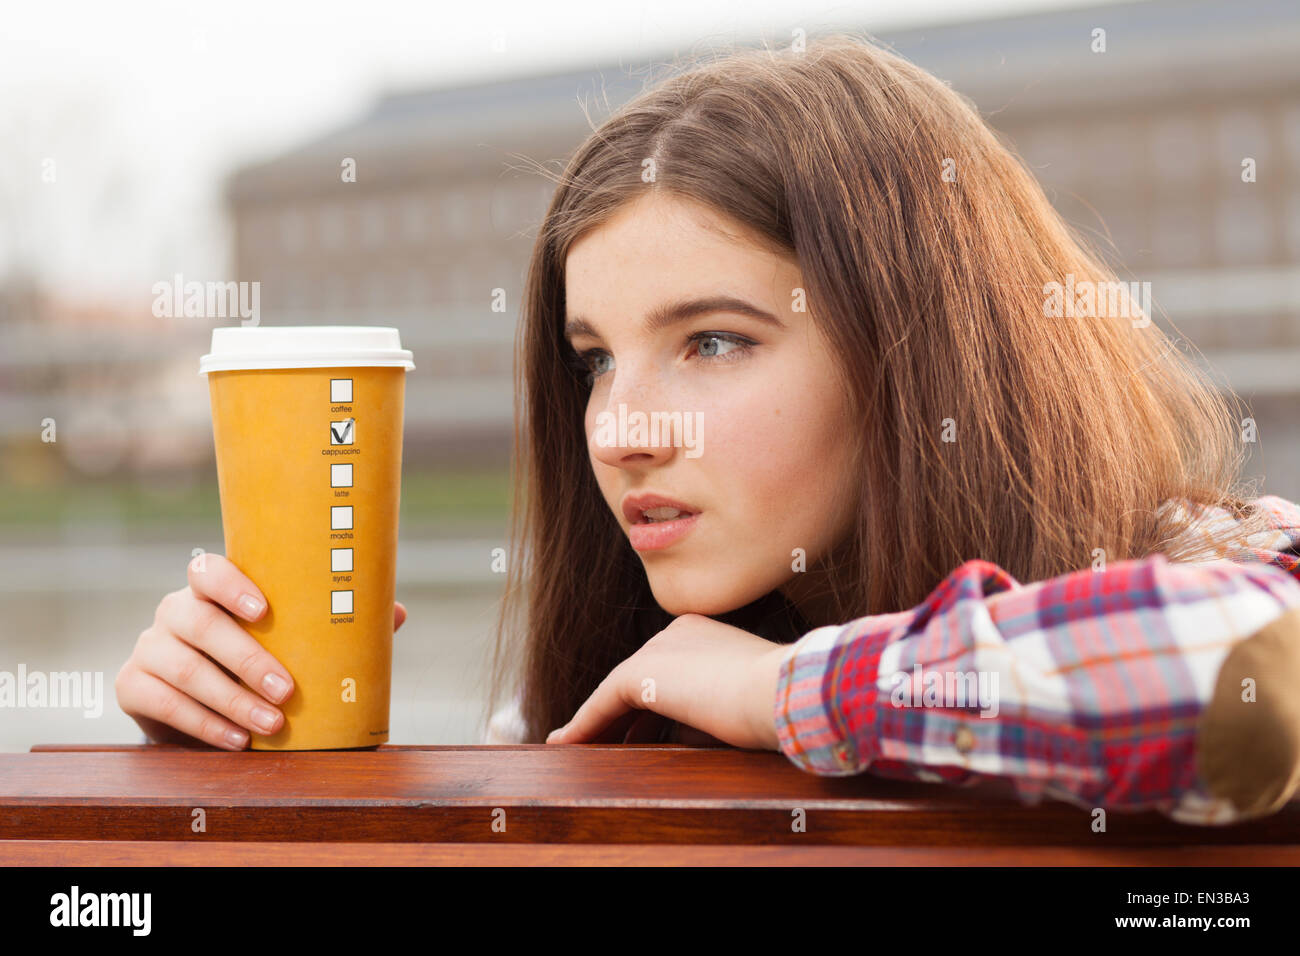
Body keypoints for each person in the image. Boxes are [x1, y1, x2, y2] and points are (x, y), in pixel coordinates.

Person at [116, 33, 1300, 826]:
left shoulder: (1212, 564)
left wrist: (793, 689)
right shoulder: (624, 685)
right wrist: (216, 769)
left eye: (714, 340)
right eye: (591, 360)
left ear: (916, 346)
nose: (619, 430)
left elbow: (1243, 676)